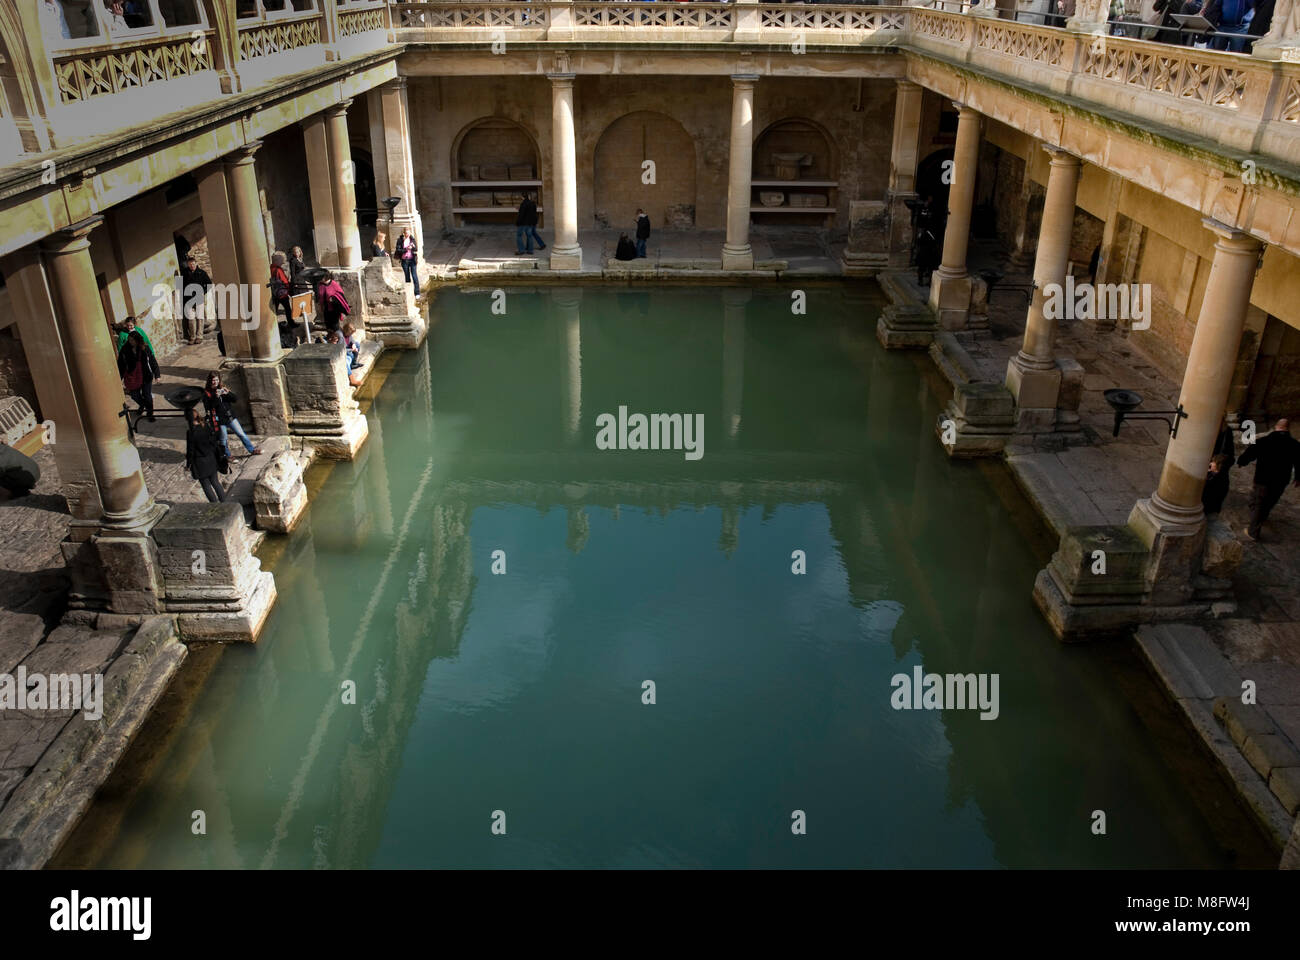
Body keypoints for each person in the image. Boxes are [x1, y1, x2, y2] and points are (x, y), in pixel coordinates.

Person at [1237, 418, 1300, 540]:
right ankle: (1260, 518)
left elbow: (1250, 452)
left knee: (1258, 501)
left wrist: (1242, 461)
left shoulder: (1264, 441)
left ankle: (1253, 532)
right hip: (1281, 480)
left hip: (1263, 478)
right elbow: (1299, 462)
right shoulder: (1295, 445)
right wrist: (1298, 477)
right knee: (1270, 501)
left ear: (1276, 426)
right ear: (1288, 428)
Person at [202, 371, 261, 459]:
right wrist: (216, 397)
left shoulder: (222, 388)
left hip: (230, 417)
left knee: (241, 434)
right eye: (213, 380)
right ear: (210, 381)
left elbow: (235, 399)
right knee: (223, 439)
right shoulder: (207, 393)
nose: (215, 382)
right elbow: (209, 407)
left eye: (217, 380)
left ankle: (252, 450)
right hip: (219, 420)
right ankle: (227, 455)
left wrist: (227, 393)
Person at [184, 407, 227, 503]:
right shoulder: (206, 426)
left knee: (206, 486)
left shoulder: (191, 432)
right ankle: (225, 502)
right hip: (210, 458)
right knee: (216, 482)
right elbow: (213, 441)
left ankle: (215, 505)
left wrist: (188, 465)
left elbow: (190, 450)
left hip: (200, 462)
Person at [118, 329, 160, 422]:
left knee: (147, 395)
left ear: (137, 340)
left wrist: (157, 374)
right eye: (129, 340)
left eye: (132, 340)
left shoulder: (145, 348)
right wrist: (119, 379)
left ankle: (150, 413)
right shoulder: (125, 350)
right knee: (134, 395)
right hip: (133, 377)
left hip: (145, 376)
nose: (130, 342)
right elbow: (121, 365)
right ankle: (143, 405)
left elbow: (152, 360)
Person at [180, 254, 211, 346]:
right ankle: (192, 337)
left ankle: (199, 337)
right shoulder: (185, 273)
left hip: (199, 298)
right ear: (188, 264)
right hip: (188, 299)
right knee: (191, 319)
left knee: (200, 318)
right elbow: (180, 286)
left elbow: (209, 284)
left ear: (196, 264)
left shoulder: (202, 273)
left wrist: (203, 292)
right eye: (190, 264)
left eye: (193, 264)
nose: (192, 266)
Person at [269, 251, 292, 344]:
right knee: (287, 309)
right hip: (281, 293)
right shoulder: (278, 269)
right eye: (282, 259)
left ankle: (272, 324)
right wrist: (288, 287)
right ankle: (291, 323)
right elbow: (284, 280)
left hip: (275, 293)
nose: (284, 261)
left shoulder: (271, 268)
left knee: (275, 309)